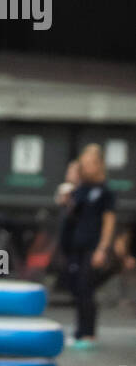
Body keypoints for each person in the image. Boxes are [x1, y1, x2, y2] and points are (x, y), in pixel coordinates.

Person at [61, 143, 116, 347]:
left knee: (86, 288)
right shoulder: (82, 189)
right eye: (84, 164)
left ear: (99, 165)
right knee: (76, 287)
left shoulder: (105, 191)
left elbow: (109, 221)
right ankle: (79, 332)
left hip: (93, 247)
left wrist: (103, 248)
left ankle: (89, 334)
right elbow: (72, 215)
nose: (87, 168)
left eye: (90, 164)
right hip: (77, 245)